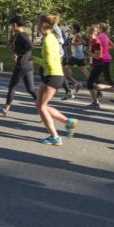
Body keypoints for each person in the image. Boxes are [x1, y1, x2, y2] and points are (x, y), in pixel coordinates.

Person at [32, 13, 77, 145]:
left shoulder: (48, 39)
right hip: (52, 74)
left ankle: (55, 136)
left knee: (41, 106)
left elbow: (49, 62)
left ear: (43, 24)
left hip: (53, 74)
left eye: (38, 22)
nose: (37, 25)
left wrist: (34, 59)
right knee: (40, 105)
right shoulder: (51, 37)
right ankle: (67, 122)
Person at [0, 15, 37, 116]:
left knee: (12, 86)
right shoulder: (22, 35)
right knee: (30, 89)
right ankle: (45, 109)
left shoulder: (21, 35)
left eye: (11, 26)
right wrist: (16, 52)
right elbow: (25, 47)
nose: (11, 28)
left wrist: (20, 55)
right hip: (28, 65)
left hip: (22, 64)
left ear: (15, 25)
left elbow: (30, 46)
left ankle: (5, 108)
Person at [86, 22, 114, 108]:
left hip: (102, 60)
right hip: (105, 58)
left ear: (101, 29)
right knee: (99, 79)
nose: (98, 28)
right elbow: (113, 46)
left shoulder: (98, 38)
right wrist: (105, 49)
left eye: (99, 27)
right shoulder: (105, 37)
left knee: (98, 80)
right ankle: (99, 95)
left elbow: (97, 53)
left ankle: (113, 88)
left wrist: (90, 52)